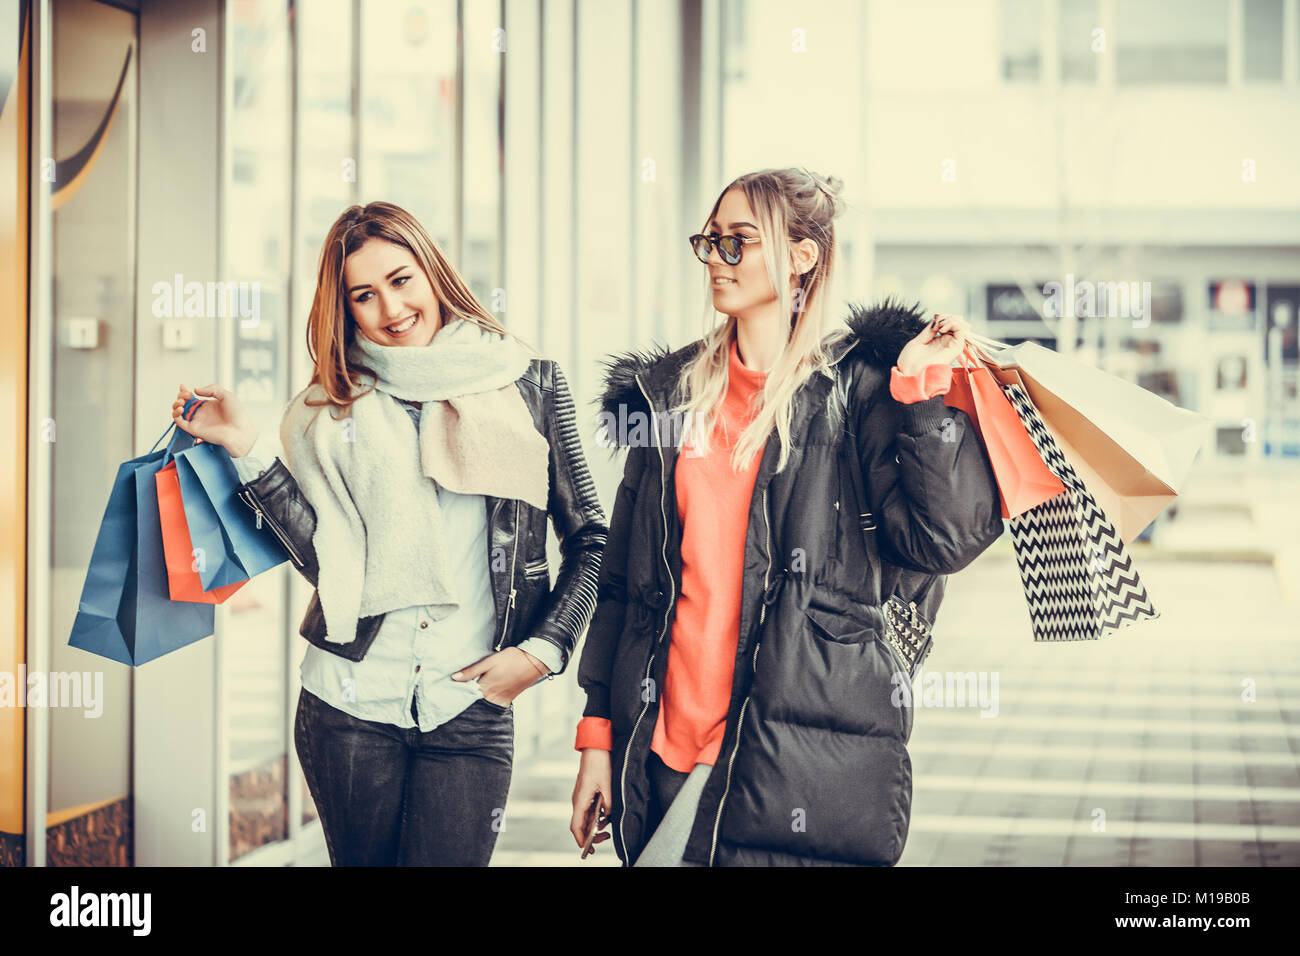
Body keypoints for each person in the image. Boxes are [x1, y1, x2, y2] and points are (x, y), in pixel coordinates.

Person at [568, 167, 1004, 866]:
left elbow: (939, 538)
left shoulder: (859, 393)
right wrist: (596, 738)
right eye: (709, 242)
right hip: (661, 747)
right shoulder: (668, 402)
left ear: (802, 256)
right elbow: (622, 583)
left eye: (738, 241)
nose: (716, 258)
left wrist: (921, 394)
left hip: (794, 759)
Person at [173, 200, 607, 866]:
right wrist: (246, 446)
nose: (390, 309)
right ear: (345, 309)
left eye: (401, 280)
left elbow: (591, 543)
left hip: (470, 703)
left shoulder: (528, 383)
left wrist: (543, 651)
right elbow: (324, 559)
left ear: (432, 274)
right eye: (364, 295)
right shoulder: (330, 406)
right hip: (347, 703)